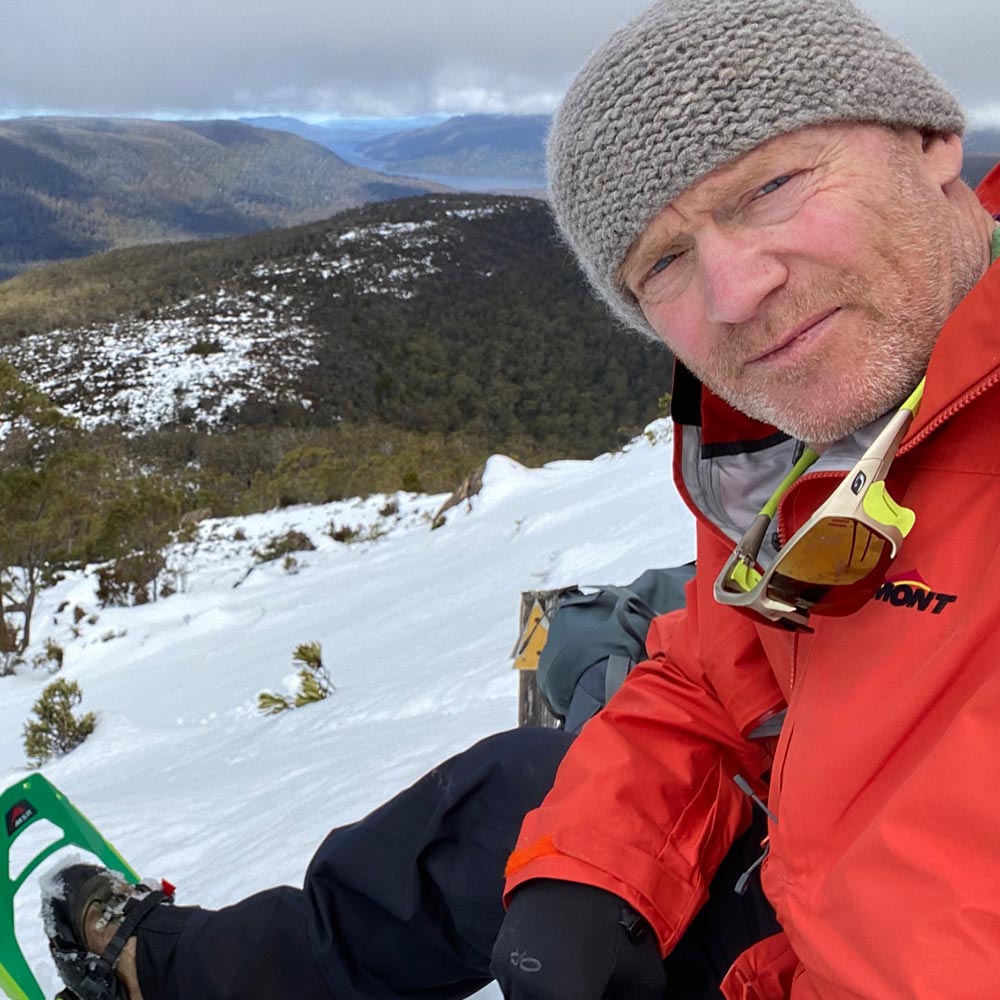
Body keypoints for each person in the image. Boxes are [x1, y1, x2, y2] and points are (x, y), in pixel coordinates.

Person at [492, 0, 1000, 999]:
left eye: (770, 186)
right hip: (791, 880)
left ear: (932, 138)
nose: (733, 294)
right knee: (498, 795)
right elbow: (723, 664)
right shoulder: (792, 440)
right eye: (663, 263)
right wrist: (592, 867)